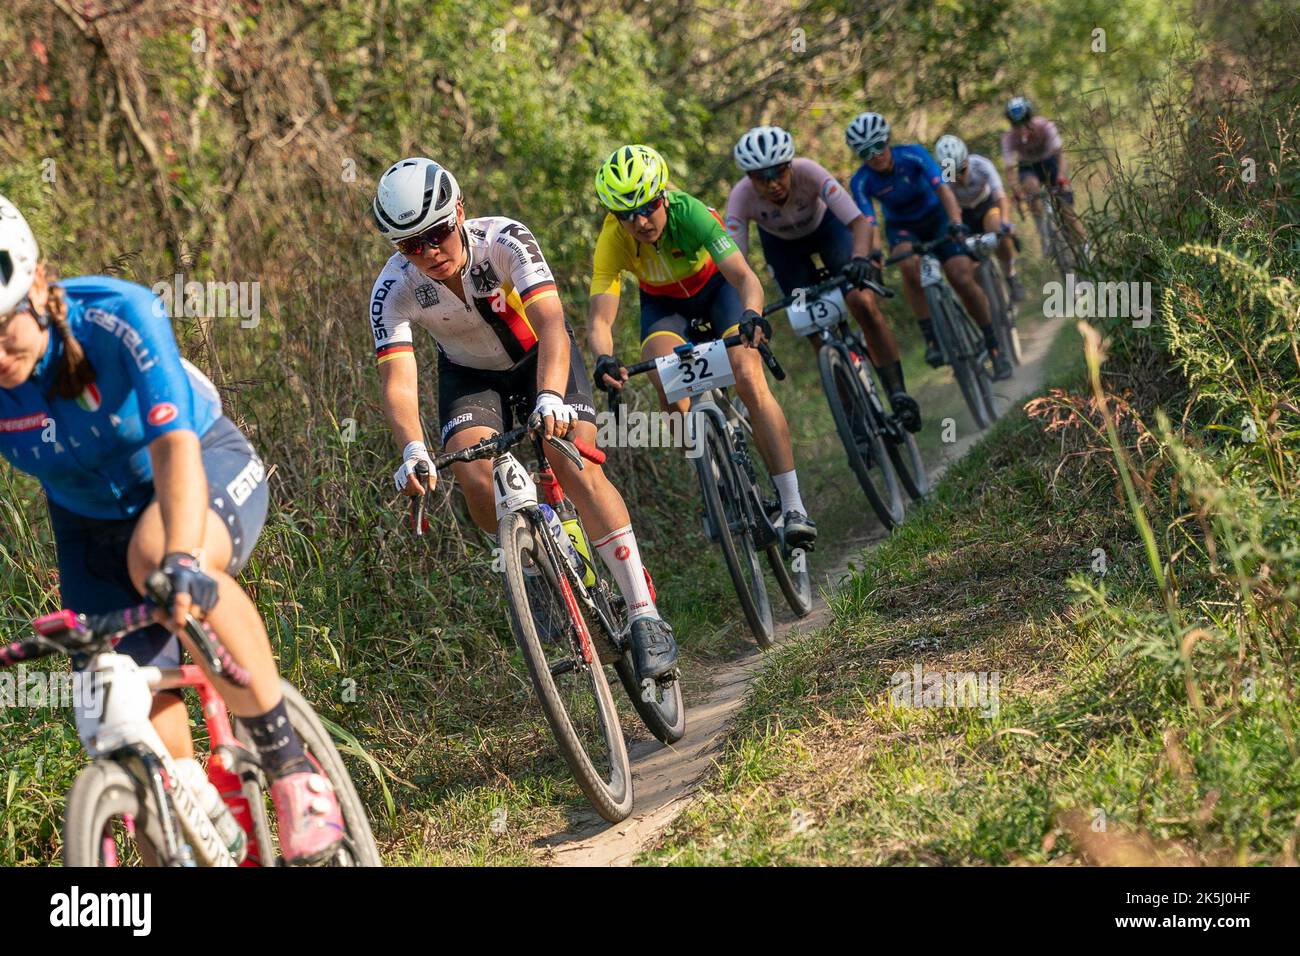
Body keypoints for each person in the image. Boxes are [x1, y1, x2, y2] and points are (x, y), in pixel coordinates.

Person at [0, 196, 344, 864]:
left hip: (196, 463)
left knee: (157, 557)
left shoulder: (117, 316)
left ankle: (291, 767)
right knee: (126, 730)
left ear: (38, 285)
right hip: (87, 525)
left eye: (0, 328)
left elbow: (174, 449)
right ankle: (201, 822)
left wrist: (184, 558)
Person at [367, 157, 678, 683]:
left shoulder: (505, 239)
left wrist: (551, 397)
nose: (429, 252)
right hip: (471, 376)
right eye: (410, 245)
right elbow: (398, 380)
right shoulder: (391, 289)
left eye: (438, 233)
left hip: (541, 357)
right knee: (472, 473)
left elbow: (553, 324)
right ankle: (533, 561)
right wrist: (412, 449)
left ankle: (644, 611)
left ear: (459, 212)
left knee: (570, 455)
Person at [585, 144, 818, 545]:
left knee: (747, 372)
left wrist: (751, 314)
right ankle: (714, 483)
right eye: (626, 215)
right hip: (665, 306)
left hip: (717, 292)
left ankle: (793, 503)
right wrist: (604, 357)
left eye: (647, 207)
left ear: (663, 196)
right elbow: (600, 317)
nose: (640, 222)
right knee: (661, 373)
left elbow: (745, 278)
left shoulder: (689, 211)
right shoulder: (613, 239)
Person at [724, 125, 920, 432]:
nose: (773, 183)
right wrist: (746, 309)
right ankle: (854, 420)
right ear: (750, 179)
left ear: (790, 166)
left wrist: (858, 259)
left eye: (778, 172)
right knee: (811, 326)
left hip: (828, 232)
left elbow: (860, 222)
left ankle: (897, 393)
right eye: (762, 177)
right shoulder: (741, 197)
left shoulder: (809, 171)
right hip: (785, 250)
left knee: (862, 301)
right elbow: (736, 264)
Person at [845, 112, 1013, 381]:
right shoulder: (862, 180)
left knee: (960, 276)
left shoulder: (913, 155)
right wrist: (873, 255)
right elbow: (869, 222)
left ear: (888, 140)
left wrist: (957, 223)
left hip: (938, 218)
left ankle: (994, 346)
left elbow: (944, 191)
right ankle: (931, 339)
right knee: (906, 265)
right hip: (903, 227)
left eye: (879, 145)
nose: (875, 155)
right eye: (866, 152)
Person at [933, 133, 1024, 305]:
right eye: (951, 171)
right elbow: (946, 210)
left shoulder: (981, 165)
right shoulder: (943, 179)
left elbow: (1001, 197)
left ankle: (1010, 276)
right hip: (963, 215)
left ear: (967, 160)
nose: (958, 176)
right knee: (968, 266)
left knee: (998, 231)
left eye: (961, 170)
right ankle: (991, 304)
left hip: (986, 206)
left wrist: (1005, 222)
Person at [1000, 96, 1086, 249]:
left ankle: (1085, 247)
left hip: (1051, 162)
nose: (1022, 128)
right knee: (1030, 187)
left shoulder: (1045, 126)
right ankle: (1043, 230)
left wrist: (1061, 176)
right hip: (1028, 167)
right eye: (1016, 125)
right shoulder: (1009, 137)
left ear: (1031, 117)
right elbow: (1009, 169)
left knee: (1067, 211)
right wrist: (1017, 190)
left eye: (1025, 122)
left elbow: (1060, 154)